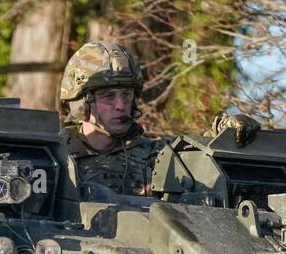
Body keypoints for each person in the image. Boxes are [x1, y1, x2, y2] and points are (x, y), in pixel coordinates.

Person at [58, 42, 259, 197]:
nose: (120, 105)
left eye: (126, 95)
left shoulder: (155, 156)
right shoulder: (56, 156)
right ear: (82, 103)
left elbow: (199, 149)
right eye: (108, 96)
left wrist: (227, 128)